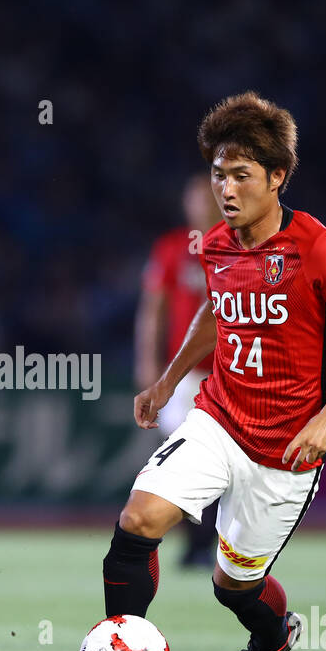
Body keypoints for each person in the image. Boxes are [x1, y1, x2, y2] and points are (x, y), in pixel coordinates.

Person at [56, 92, 326, 651]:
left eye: (241, 175)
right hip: (218, 418)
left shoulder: (318, 249)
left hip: (287, 450)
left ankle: (271, 637)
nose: (226, 188)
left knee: (234, 587)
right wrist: (166, 380)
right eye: (218, 174)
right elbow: (215, 313)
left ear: (277, 177)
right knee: (137, 521)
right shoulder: (215, 245)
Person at [134, 174, 221, 566]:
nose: (202, 205)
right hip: (185, 374)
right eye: (195, 199)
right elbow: (154, 311)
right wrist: (148, 362)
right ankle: (195, 543)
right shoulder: (172, 248)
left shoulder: (240, 246)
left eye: (208, 198)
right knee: (178, 458)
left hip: (230, 374)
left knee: (223, 462)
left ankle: (216, 546)